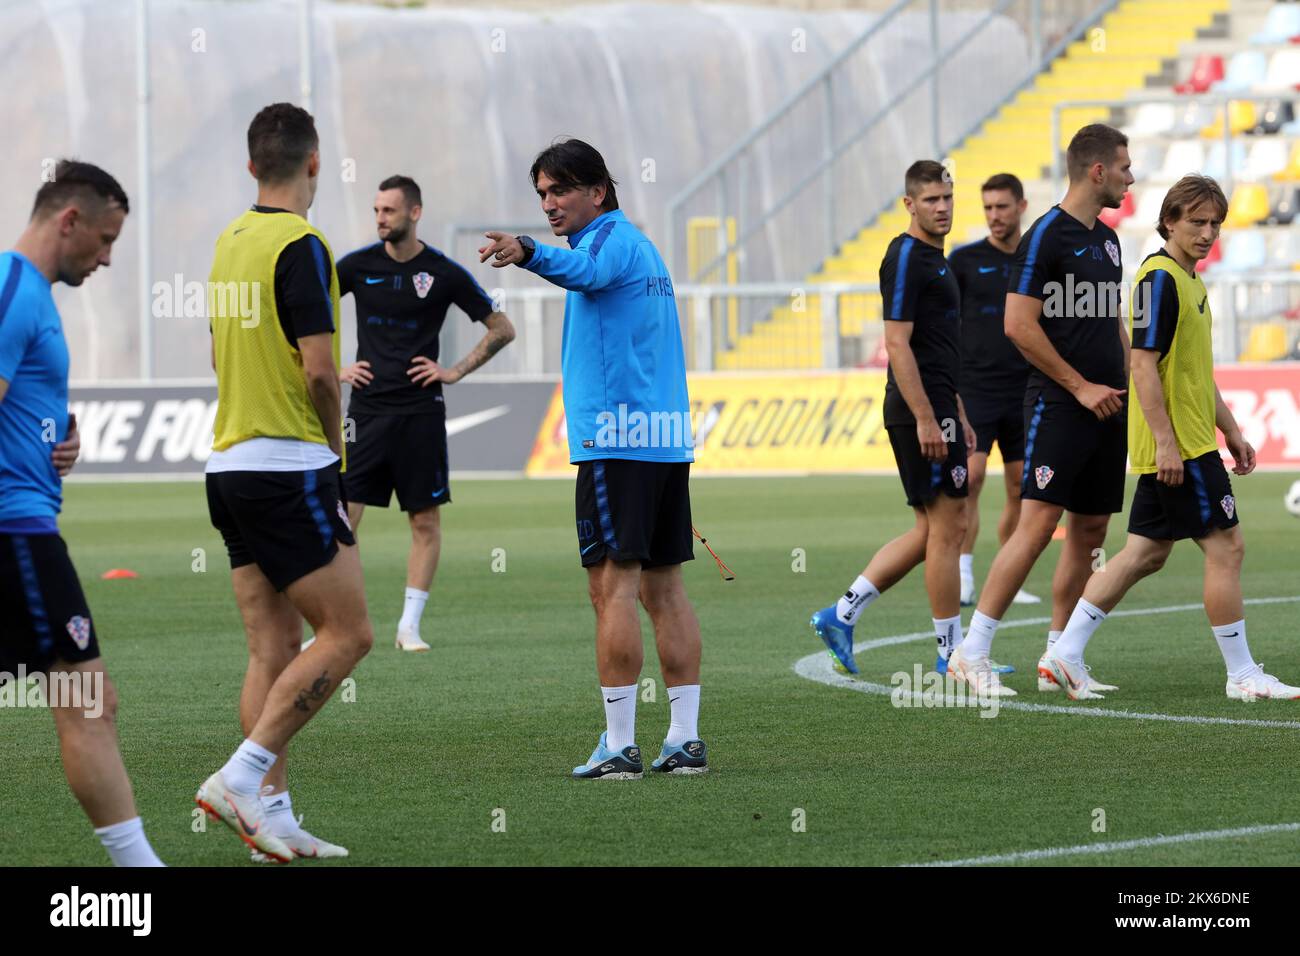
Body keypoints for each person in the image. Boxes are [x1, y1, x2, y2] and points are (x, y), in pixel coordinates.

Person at [478, 138, 706, 777]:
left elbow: (586, 273)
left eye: (560, 191)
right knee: (666, 591)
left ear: (597, 192)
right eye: (542, 195)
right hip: (660, 439)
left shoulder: (607, 243)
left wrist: (526, 251)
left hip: (619, 441)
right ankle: (684, 741)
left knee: (613, 589)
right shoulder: (644, 248)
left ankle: (620, 745)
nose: (549, 205)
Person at [1041, 174, 1300, 701]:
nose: (1207, 233)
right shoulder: (1158, 280)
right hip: (1181, 445)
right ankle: (1243, 675)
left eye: (1215, 224)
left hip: (1192, 439)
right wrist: (1165, 442)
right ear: (1169, 221)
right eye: (1197, 222)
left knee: (1144, 553)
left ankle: (1062, 656)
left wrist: (1232, 429)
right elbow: (1141, 366)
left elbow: (1194, 375)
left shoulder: (1188, 280)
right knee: (1227, 547)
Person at [197, 103, 373, 861]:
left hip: (229, 464)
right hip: (287, 465)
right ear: (314, 162)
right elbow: (321, 371)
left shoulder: (228, 241)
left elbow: (217, 355)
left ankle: (272, 814)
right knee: (352, 632)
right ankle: (239, 776)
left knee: (274, 646)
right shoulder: (302, 245)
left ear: (249, 166)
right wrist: (334, 459)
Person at [0, 159, 163, 865]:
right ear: (68, 220)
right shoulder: (13, 289)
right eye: (103, 240)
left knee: (85, 699)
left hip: (26, 518)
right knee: (88, 699)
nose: (106, 258)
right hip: (16, 533)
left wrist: (54, 444)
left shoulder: (31, 294)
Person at [810, 160, 1011, 695]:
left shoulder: (936, 260)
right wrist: (928, 416)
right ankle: (953, 658)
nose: (941, 208)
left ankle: (841, 615)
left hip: (941, 404)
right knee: (950, 529)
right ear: (909, 205)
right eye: (930, 200)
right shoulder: (904, 257)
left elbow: (940, 348)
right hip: (916, 409)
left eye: (947, 198)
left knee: (933, 530)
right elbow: (896, 343)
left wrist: (959, 414)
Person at [948, 124, 1133, 694]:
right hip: (1059, 402)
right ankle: (970, 651)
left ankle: (1061, 656)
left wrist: (1133, 387)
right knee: (1036, 526)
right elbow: (1017, 325)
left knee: (1092, 532)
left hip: (1110, 407)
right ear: (1097, 171)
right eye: (1125, 166)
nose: (1132, 176)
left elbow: (1114, 325)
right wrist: (1079, 387)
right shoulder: (1046, 236)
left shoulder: (1108, 240)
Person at [336, 175, 515, 652]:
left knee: (424, 523)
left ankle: (408, 627)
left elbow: (501, 328)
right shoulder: (354, 267)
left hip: (420, 413)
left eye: (389, 211)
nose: (380, 218)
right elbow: (302, 311)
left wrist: (453, 371)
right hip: (365, 415)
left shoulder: (443, 272)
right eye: (376, 210)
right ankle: (335, 624)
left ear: (414, 213)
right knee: (342, 520)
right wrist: (332, 368)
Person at [948, 173, 1039, 610]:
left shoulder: (1034, 258)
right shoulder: (964, 261)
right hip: (976, 389)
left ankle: (1010, 573)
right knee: (973, 476)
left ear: (1021, 207)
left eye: (1002, 207)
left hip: (1023, 389)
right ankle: (964, 572)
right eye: (987, 208)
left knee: (1022, 486)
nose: (994, 216)